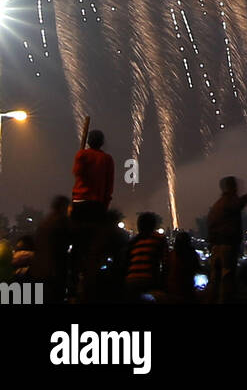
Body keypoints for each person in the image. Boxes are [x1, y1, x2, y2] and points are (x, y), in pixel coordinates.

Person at [70, 129, 114, 300]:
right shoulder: (107, 160)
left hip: (80, 202)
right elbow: (109, 185)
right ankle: (90, 285)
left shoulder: (82, 155)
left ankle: (73, 284)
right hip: (97, 205)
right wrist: (105, 205)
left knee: (77, 245)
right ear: (102, 142)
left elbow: (76, 173)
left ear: (88, 141)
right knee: (93, 248)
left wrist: (81, 156)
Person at [206, 176, 247, 303]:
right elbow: (239, 203)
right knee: (226, 279)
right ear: (231, 187)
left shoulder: (217, 205)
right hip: (227, 247)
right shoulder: (229, 202)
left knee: (215, 279)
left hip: (216, 247)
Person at [31, 197, 71, 303]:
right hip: (54, 271)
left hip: (39, 270)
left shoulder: (45, 223)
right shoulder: (62, 221)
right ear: (63, 207)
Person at [124, 213, 168, 300]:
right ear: (153, 225)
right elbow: (165, 262)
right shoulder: (159, 238)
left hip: (130, 281)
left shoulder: (134, 241)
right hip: (149, 280)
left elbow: (126, 261)